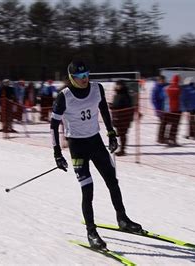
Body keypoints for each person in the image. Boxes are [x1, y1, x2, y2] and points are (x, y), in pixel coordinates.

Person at [50, 61, 142, 249]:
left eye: (87, 75)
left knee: (112, 181)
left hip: (96, 142)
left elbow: (104, 110)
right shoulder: (64, 97)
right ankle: (91, 232)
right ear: (71, 78)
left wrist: (111, 133)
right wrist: (57, 153)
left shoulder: (97, 89)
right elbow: (53, 126)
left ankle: (122, 219)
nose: (84, 80)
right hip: (77, 146)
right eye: (79, 77)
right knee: (88, 189)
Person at [110, 80, 134, 156]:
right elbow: (116, 104)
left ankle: (123, 150)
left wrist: (113, 106)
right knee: (120, 134)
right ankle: (121, 148)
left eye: (119, 85)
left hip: (124, 118)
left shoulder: (125, 95)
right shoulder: (117, 94)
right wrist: (112, 105)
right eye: (117, 85)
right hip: (118, 118)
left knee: (122, 134)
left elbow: (124, 106)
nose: (117, 86)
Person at [164, 75, 182, 147]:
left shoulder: (168, 88)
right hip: (177, 109)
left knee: (168, 124)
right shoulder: (179, 88)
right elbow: (181, 97)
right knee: (175, 125)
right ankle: (173, 139)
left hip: (169, 109)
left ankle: (166, 138)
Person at [151, 75, 168, 144]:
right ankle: (160, 138)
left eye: (163, 80)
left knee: (166, 123)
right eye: (161, 80)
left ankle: (163, 136)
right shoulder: (156, 88)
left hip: (167, 107)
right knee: (163, 123)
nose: (162, 81)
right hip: (160, 108)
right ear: (158, 80)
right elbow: (154, 99)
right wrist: (158, 109)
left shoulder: (166, 86)